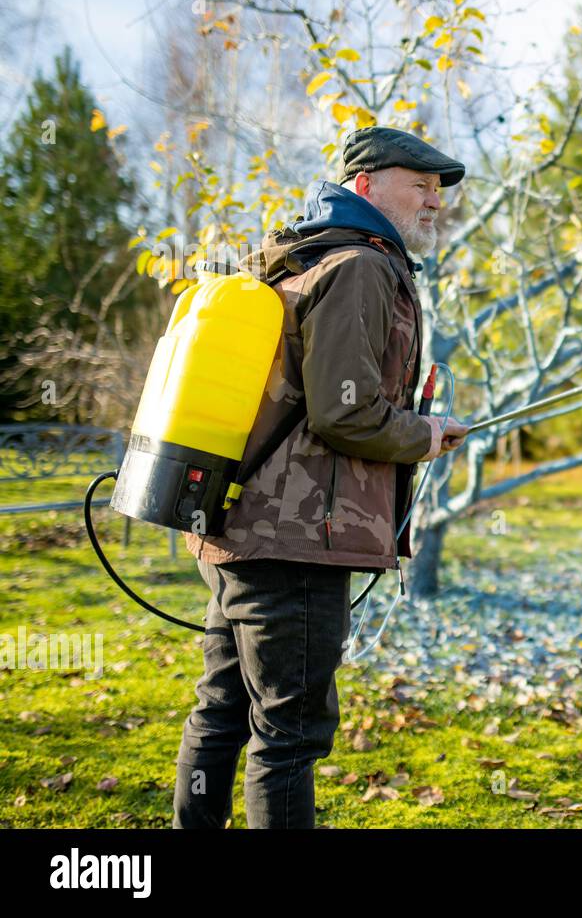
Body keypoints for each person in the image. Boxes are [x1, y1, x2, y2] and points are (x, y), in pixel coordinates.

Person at [173, 127, 470, 828]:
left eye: (439, 190)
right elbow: (345, 415)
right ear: (364, 185)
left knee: (224, 710)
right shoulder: (360, 268)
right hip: (298, 538)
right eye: (419, 185)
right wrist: (426, 435)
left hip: (246, 527)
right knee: (289, 735)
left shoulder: (304, 258)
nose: (433, 201)